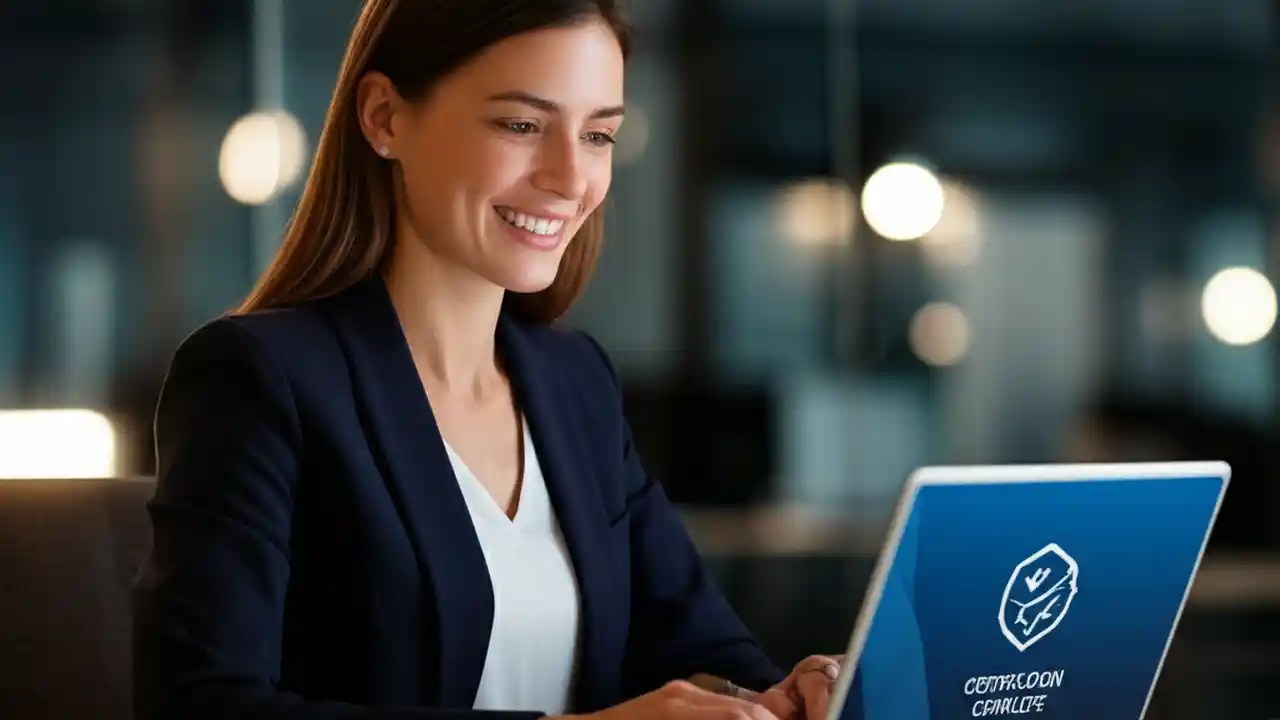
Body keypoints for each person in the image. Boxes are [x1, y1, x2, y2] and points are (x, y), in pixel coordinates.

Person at [131, 1, 843, 718]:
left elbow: (703, 649)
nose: (571, 178)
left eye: (598, 135)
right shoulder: (260, 378)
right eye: (522, 125)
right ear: (384, 118)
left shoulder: (574, 386)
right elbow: (203, 705)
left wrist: (794, 692)